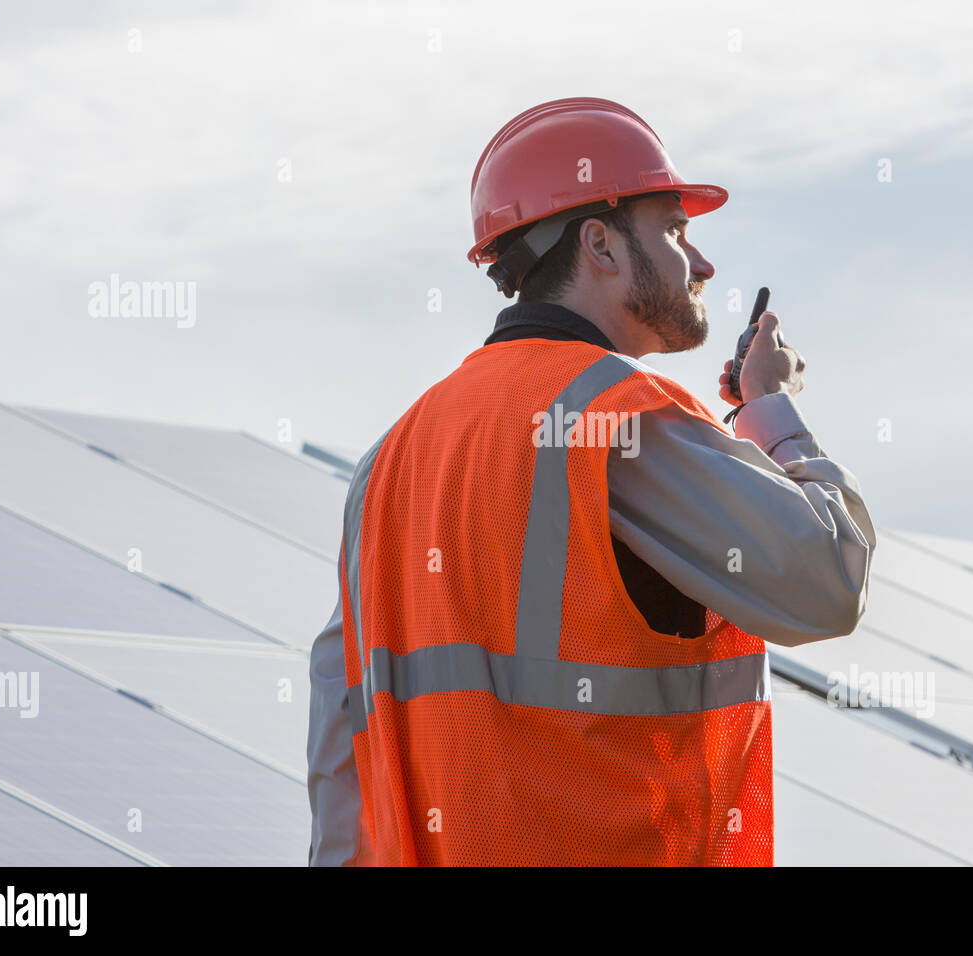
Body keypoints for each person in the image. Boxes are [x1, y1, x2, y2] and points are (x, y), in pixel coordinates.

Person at [307, 97, 875, 866]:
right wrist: (769, 413)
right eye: (675, 231)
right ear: (600, 244)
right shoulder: (612, 414)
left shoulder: (384, 465)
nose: (701, 264)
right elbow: (826, 583)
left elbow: (343, 749)